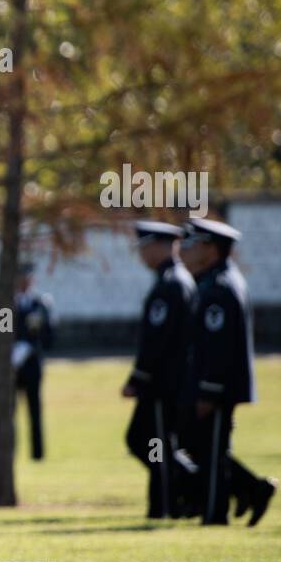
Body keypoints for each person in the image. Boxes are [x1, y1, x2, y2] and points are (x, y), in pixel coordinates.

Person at [178, 217, 275, 527]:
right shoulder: (212, 281)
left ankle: (214, 514)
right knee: (203, 447)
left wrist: (209, 390)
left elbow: (218, 348)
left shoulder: (219, 287)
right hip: (210, 385)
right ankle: (252, 488)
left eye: (191, 245)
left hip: (217, 388)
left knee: (213, 451)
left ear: (210, 249)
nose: (184, 252)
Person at [122, 221, 197, 519]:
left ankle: (175, 495)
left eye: (143, 248)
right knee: (153, 441)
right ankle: (173, 498)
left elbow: (156, 340)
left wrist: (138, 377)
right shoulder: (177, 279)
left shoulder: (170, 283)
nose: (141, 255)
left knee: (149, 441)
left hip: (162, 382)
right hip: (172, 380)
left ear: (158, 246)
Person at [13, 262, 54, 460]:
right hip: (12, 367)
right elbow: (2, 332)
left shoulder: (41, 304)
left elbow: (49, 337)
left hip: (31, 365)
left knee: (34, 411)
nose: (24, 281)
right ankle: (9, 451)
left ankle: (38, 454)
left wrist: (29, 346)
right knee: (9, 413)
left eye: (27, 277)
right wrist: (13, 352)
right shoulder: (7, 304)